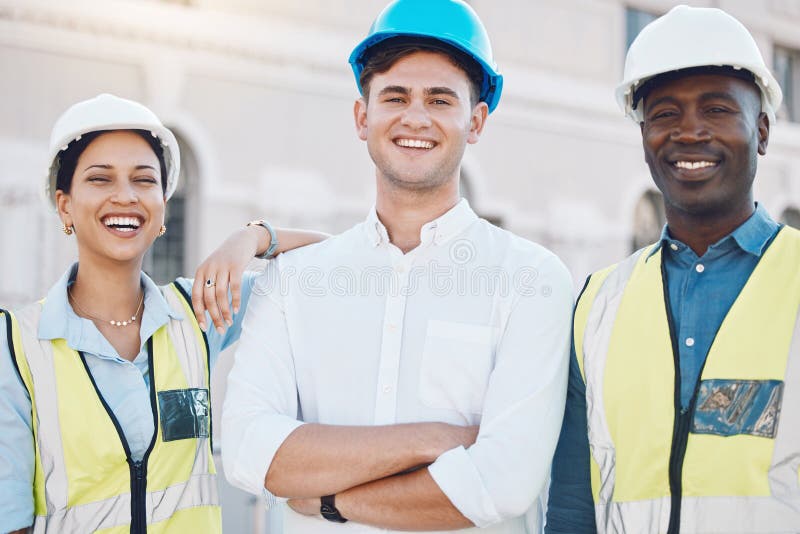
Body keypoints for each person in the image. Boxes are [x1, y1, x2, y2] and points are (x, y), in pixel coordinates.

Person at [222, 0, 573, 532]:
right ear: (363, 118)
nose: (415, 117)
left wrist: (329, 501)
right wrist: (433, 439)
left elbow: (500, 483)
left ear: (475, 121)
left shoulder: (532, 281)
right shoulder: (292, 282)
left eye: (440, 99)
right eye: (395, 96)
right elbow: (249, 453)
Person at [0, 93, 326, 533]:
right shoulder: (15, 346)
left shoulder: (200, 311)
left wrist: (253, 237)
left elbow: (337, 268)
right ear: (65, 205)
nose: (125, 196)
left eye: (143, 179)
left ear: (163, 207)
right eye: (100, 179)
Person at [546, 6, 800, 534]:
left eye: (716, 109)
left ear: (762, 132)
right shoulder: (597, 305)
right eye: (664, 114)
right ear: (644, 140)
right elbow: (574, 503)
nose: (689, 133)